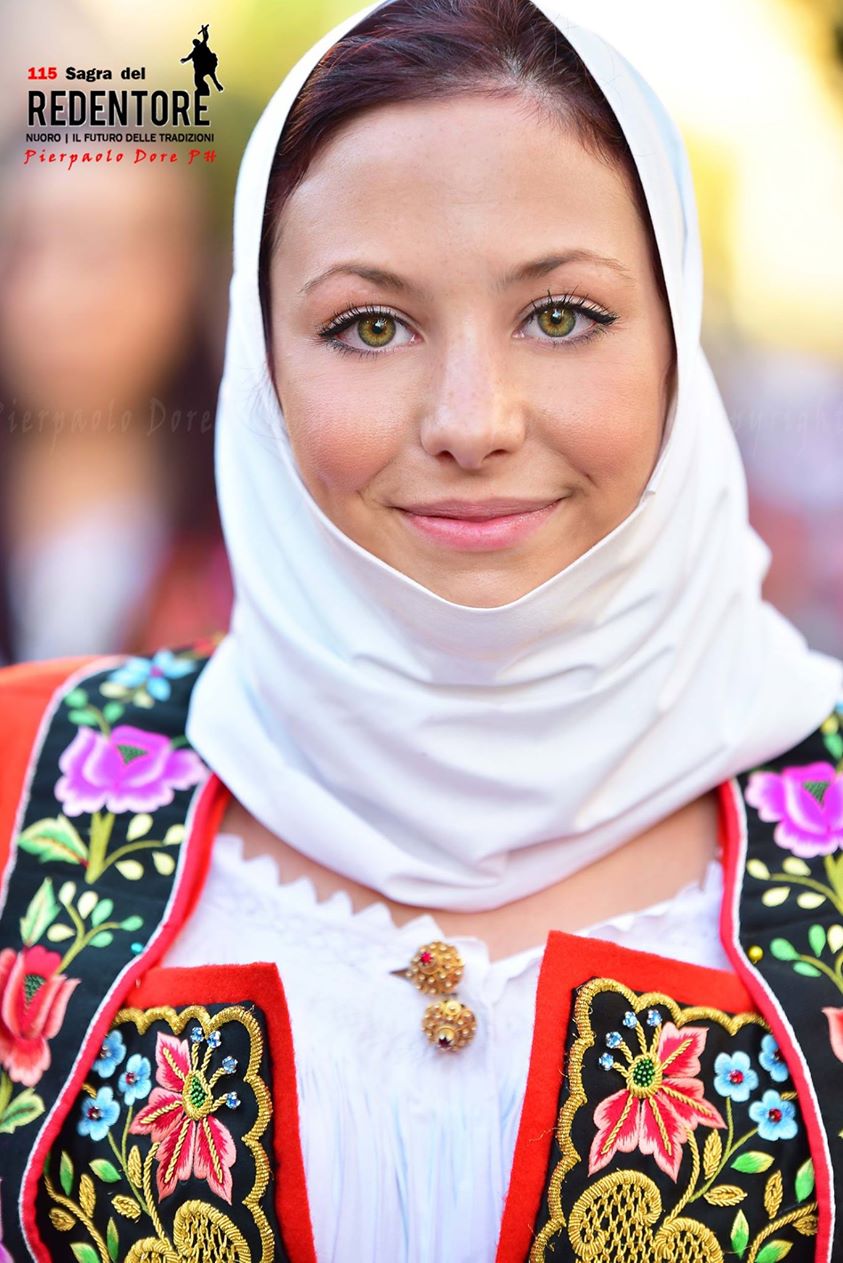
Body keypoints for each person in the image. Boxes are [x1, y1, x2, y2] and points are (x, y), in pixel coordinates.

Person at [0, 1, 841, 1259]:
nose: (472, 419)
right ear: (261, 373)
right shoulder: (23, 786)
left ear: (678, 342)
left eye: (561, 314)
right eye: (369, 325)